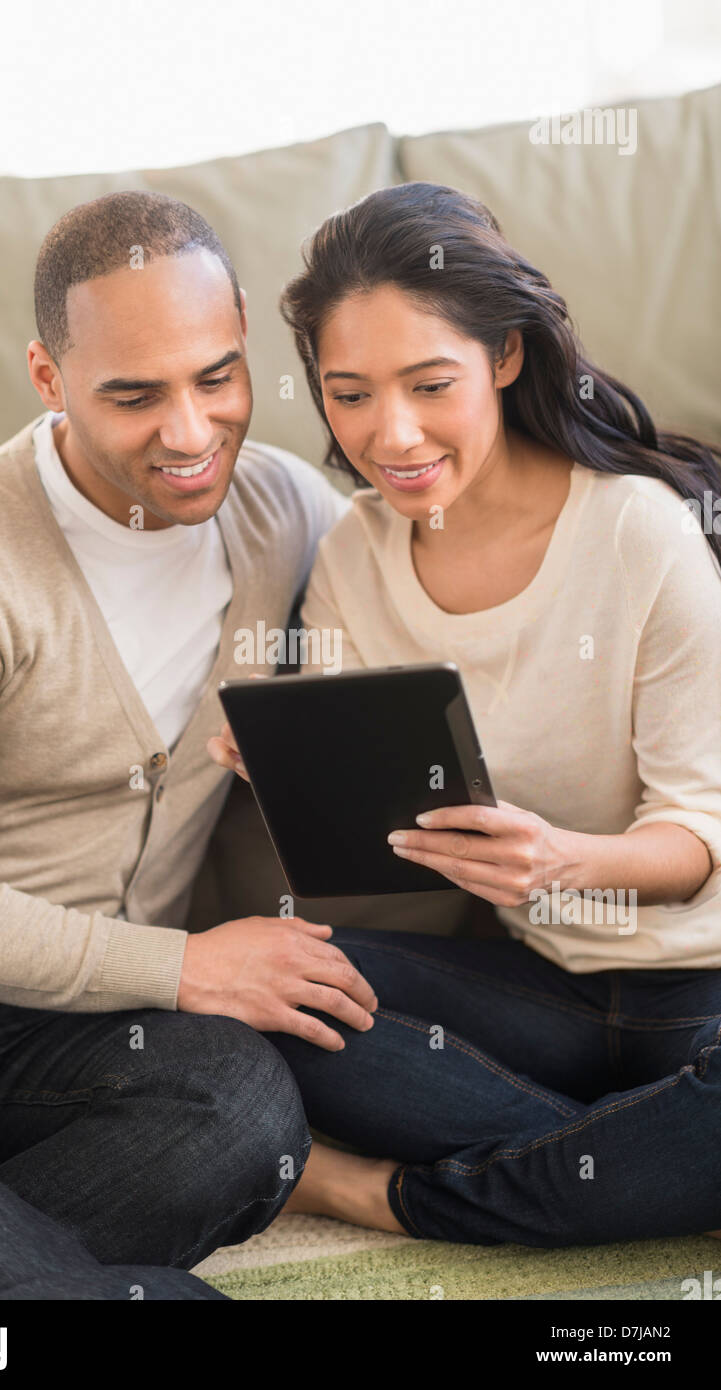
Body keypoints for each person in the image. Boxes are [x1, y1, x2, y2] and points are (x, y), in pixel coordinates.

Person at [0, 190, 379, 1300]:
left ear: (242, 329)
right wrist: (185, 964)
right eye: (133, 395)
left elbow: (423, 612)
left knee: (244, 1111)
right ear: (48, 380)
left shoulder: (281, 511)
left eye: (215, 376)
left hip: (77, 1038)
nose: (189, 433)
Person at [209, 181, 721, 1248]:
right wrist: (303, 772)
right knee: (269, 990)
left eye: (428, 383)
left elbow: (700, 839)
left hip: (699, 983)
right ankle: (636, 1167)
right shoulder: (354, 548)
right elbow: (379, 854)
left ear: (503, 357)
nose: (389, 435)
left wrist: (562, 859)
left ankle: (375, 1191)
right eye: (348, 396)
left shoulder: (640, 532)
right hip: (547, 990)